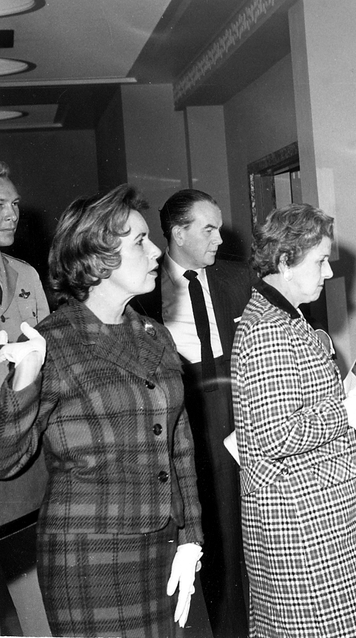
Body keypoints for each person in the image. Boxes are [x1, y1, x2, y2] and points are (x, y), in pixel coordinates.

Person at [0, 184, 203, 637]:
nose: (155, 252)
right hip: (88, 556)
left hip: (164, 544)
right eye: (140, 242)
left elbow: (180, 448)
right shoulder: (51, 341)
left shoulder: (156, 335)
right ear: (97, 257)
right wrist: (25, 379)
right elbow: (6, 458)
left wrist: (191, 537)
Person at [232, 203, 356, 637]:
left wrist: (343, 399)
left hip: (321, 515)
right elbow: (274, 434)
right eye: (319, 262)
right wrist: (344, 413)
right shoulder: (267, 330)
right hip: (301, 528)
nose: (329, 274)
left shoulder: (289, 318)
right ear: (285, 262)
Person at [133, 188, 251, 638]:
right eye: (209, 228)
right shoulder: (144, 285)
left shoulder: (237, 278)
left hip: (231, 401)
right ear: (178, 233)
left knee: (236, 521)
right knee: (198, 528)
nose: (220, 238)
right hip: (179, 408)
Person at [0, 161, 50, 635]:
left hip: (21, 465)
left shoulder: (26, 275)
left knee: (36, 608)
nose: (11, 214)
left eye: (14, 204)